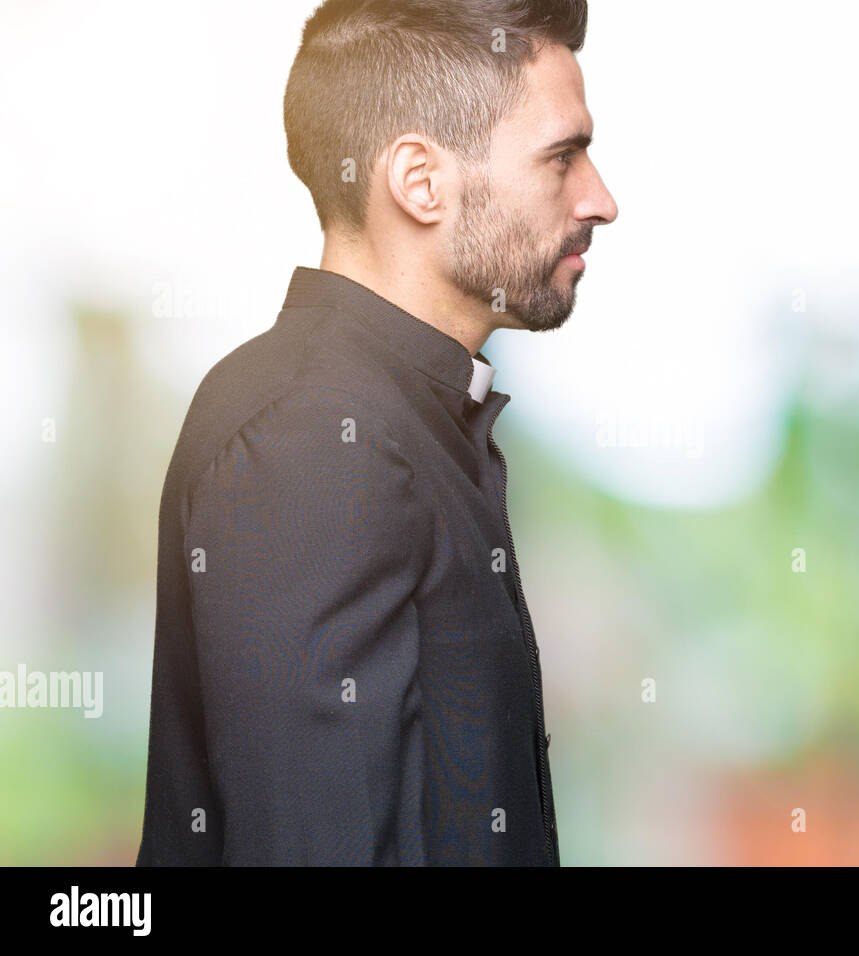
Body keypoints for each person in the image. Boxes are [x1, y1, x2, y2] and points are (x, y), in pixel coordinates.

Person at [135, 0, 617, 866]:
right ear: (420, 182)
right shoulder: (314, 434)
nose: (601, 199)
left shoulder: (406, 419)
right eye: (561, 157)